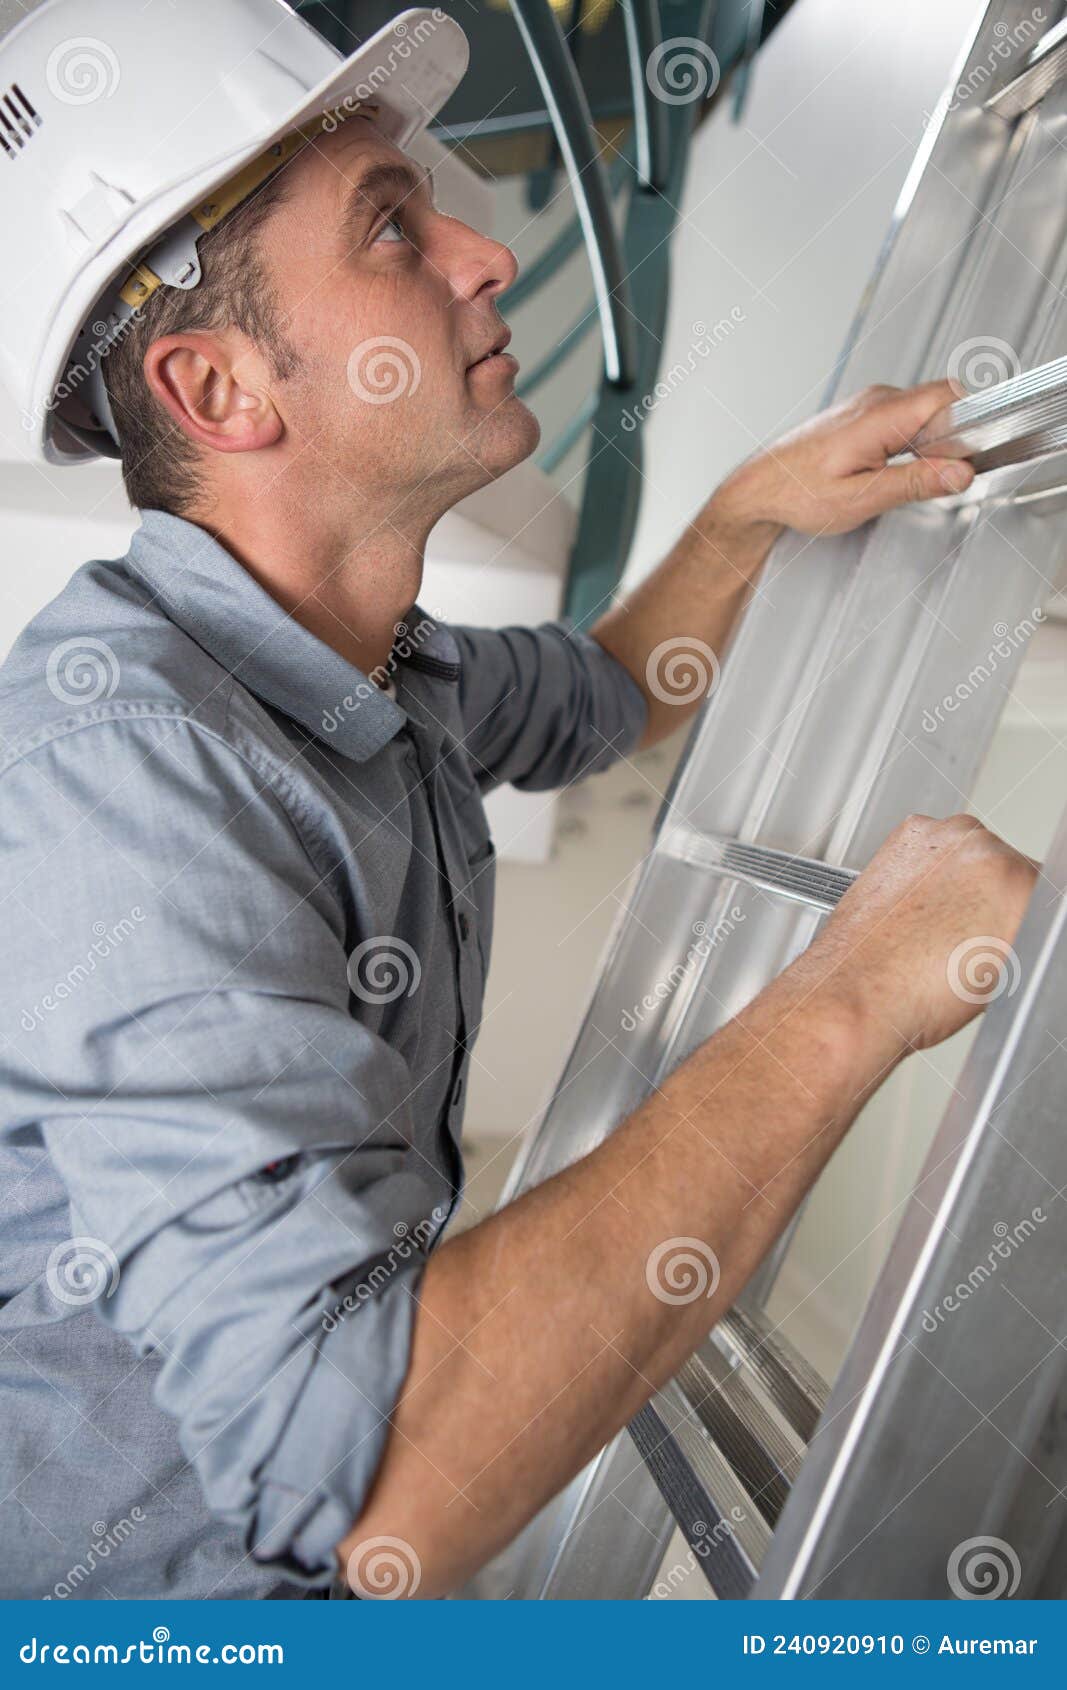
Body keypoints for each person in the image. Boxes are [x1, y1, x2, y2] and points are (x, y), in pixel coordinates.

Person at [0, 0, 1033, 1599]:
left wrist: (743, 516)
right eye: (393, 225)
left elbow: (605, 691)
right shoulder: (122, 778)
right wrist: (852, 992)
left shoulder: (360, 663)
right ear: (218, 390)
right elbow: (376, 1477)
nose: (480, 253)